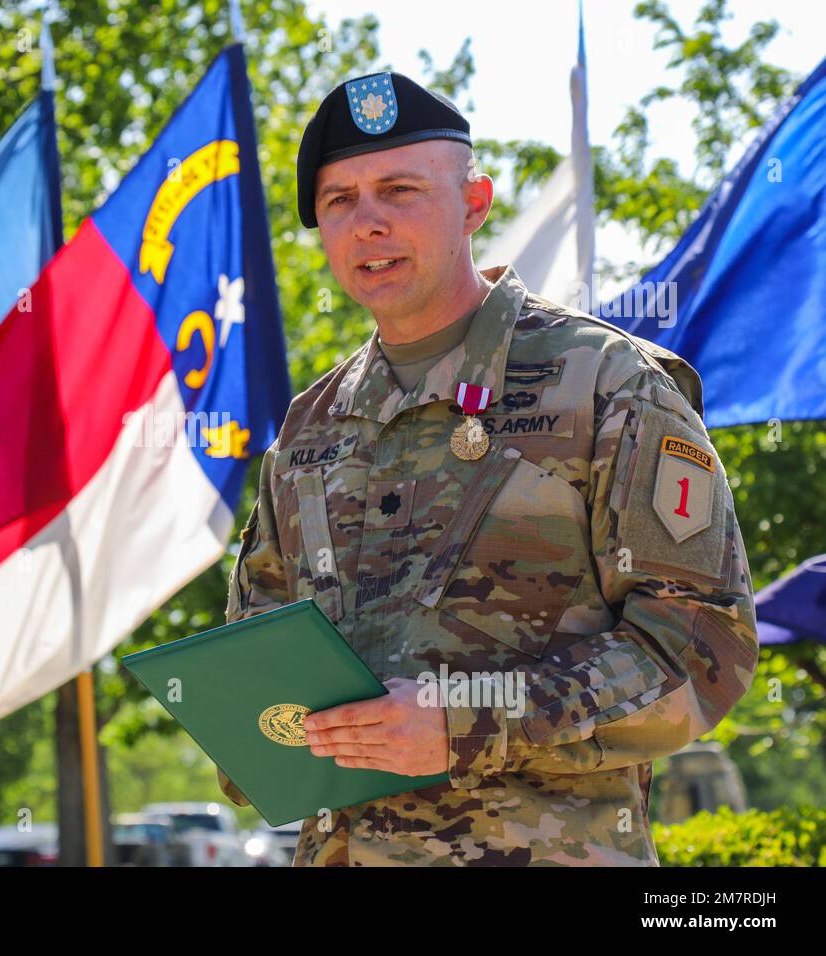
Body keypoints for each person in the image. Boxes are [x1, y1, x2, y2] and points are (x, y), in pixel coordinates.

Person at [217, 70, 759, 866]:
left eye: (398, 190)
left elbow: (703, 647)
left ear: (474, 203)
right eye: (340, 202)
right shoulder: (309, 429)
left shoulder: (606, 383)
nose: (368, 223)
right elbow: (258, 658)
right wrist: (254, 729)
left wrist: (464, 720)